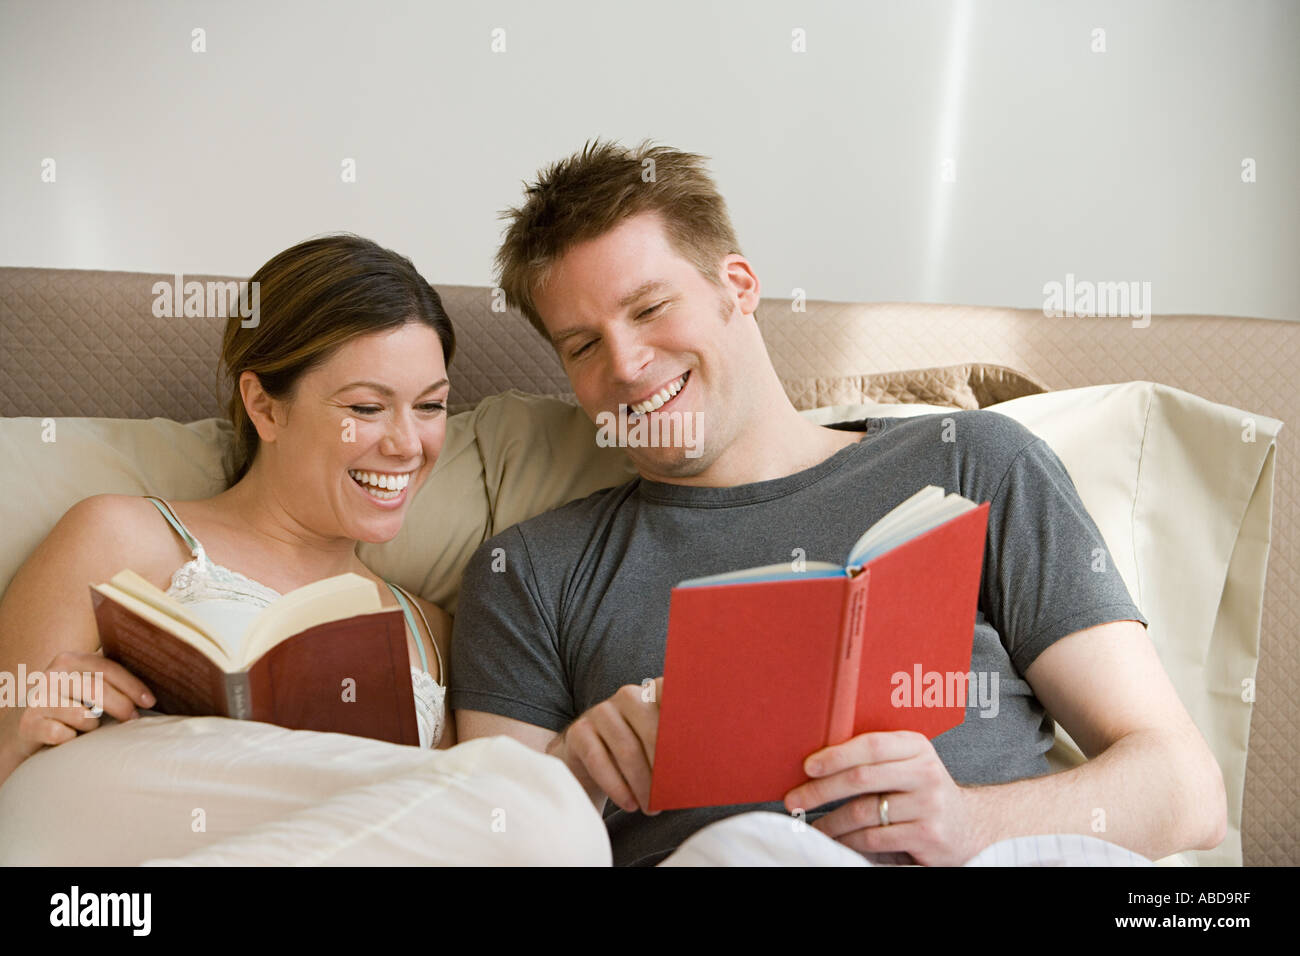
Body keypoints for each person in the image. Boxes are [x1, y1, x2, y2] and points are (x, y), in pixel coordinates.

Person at [449, 141, 1229, 867]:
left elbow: (1184, 791)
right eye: (583, 346)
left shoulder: (975, 463)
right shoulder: (528, 572)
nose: (626, 364)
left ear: (737, 287)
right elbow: (484, 851)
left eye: (650, 309)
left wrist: (964, 823)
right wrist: (574, 775)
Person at [0, 235, 609, 866]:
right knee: (551, 827)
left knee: (547, 828)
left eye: (430, 406)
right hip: (110, 843)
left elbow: (443, 830)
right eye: (367, 407)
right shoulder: (118, 536)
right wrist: (22, 730)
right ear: (264, 406)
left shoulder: (433, 632)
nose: (407, 444)